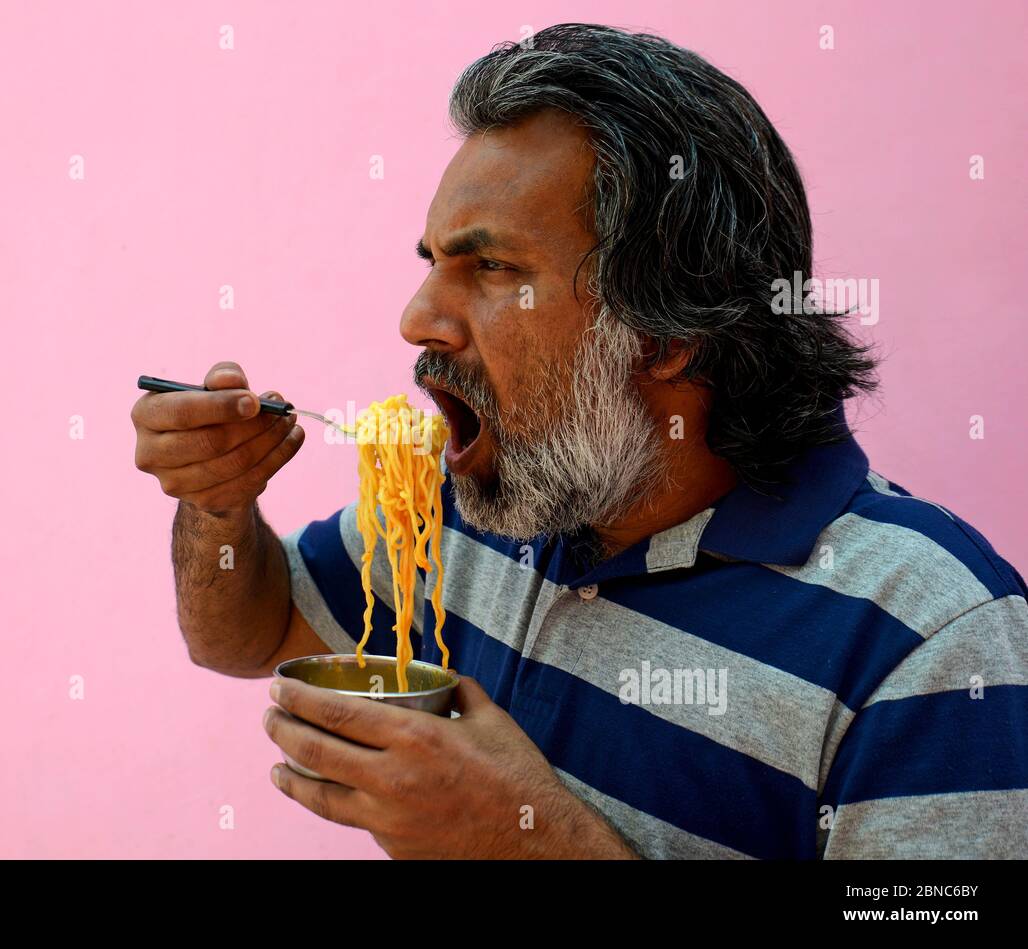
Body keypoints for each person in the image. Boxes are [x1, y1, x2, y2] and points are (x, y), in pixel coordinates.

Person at [132, 24, 1028, 859]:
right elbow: (250, 632)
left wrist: (529, 842)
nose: (417, 320)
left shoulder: (933, 641)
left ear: (668, 331)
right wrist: (217, 505)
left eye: (492, 268)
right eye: (431, 262)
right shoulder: (479, 501)